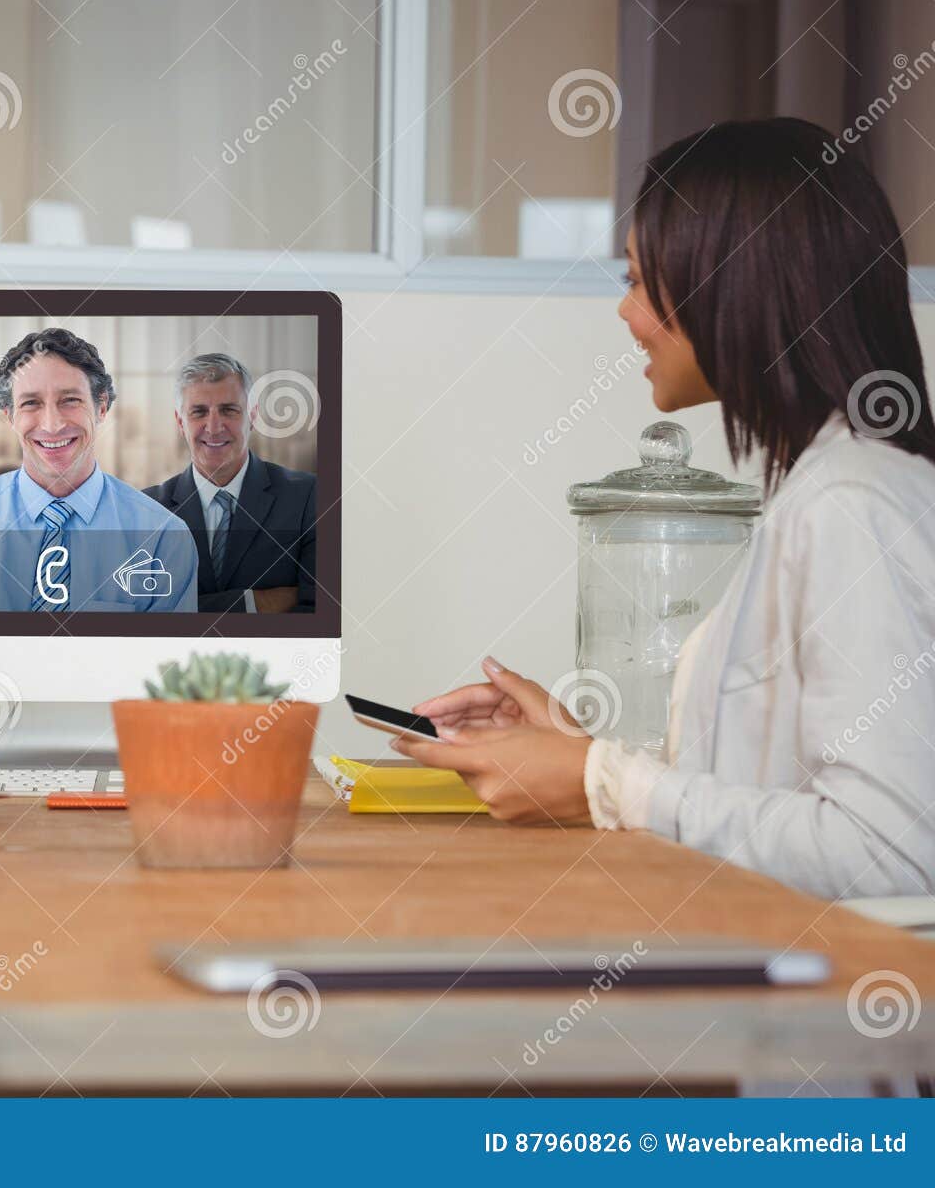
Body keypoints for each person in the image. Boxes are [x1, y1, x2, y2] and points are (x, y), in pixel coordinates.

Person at [396, 117, 935, 901]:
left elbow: (891, 855)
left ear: (732, 285)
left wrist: (605, 783)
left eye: (640, 281)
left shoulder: (854, 506)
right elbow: (767, 795)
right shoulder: (823, 491)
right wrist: (581, 755)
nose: (626, 314)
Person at [0, 328, 197, 612]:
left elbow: (161, 656)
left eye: (70, 400)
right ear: (10, 416)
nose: (52, 425)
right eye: (31, 403)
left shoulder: (163, 537)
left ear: (101, 407)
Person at [144, 353, 316, 613]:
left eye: (228, 410)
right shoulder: (146, 509)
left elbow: (317, 610)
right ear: (180, 422)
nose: (213, 427)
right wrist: (256, 603)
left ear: (253, 417)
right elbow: (139, 616)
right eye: (199, 412)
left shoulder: (308, 497)